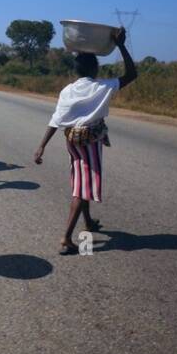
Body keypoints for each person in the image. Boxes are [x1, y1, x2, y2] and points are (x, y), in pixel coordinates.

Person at [33, 27, 138, 255]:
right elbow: (132, 74)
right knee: (82, 189)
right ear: (95, 68)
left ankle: (88, 222)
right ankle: (66, 238)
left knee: (81, 179)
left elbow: (56, 119)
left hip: (72, 141)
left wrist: (42, 146)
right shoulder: (102, 87)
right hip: (90, 142)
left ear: (76, 70)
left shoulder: (67, 90)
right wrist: (120, 45)